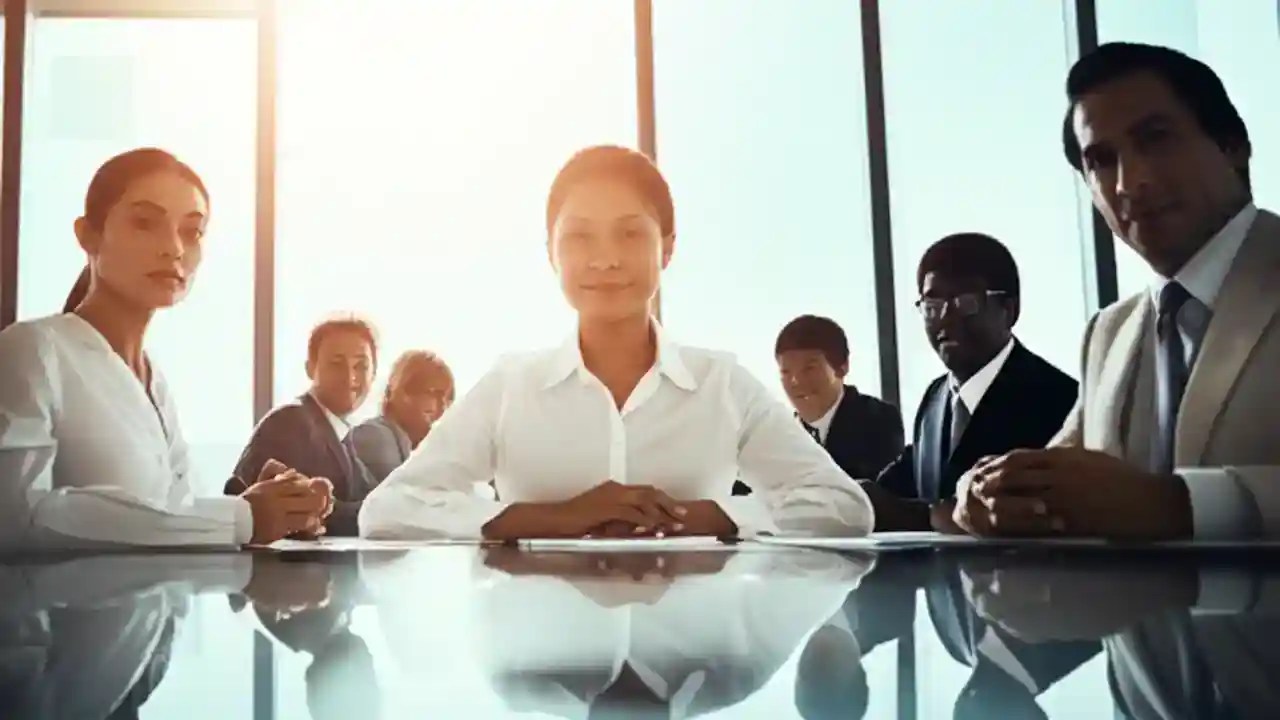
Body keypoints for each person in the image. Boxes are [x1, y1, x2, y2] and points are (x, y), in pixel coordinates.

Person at [359, 145, 874, 540]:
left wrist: (695, 517)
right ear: (551, 254)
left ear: (667, 248)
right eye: (580, 237)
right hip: (543, 660)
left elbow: (844, 506)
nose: (605, 259)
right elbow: (388, 510)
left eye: (629, 235)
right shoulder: (510, 385)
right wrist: (558, 518)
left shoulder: (722, 383)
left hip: (691, 650)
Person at [955, 42, 1280, 540]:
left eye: (1157, 139)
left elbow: (1138, 502)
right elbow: (1058, 474)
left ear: (1233, 144)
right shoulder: (1108, 332)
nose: (1131, 182)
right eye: (1102, 161)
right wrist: (983, 495)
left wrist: (1177, 506)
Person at [0, 148, 331, 549]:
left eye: (192, 231)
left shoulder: (153, 380)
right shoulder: (33, 350)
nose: (173, 248)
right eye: (145, 223)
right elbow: (17, 517)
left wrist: (273, 509)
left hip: (163, 606)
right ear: (88, 234)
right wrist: (240, 519)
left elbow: (169, 512)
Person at [865, 233, 1076, 531]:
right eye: (932, 304)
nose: (946, 318)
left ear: (1009, 309)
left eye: (966, 302)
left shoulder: (1060, 398)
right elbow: (896, 488)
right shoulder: (934, 399)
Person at [227, 315, 380, 536]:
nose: (350, 377)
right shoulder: (292, 423)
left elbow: (372, 498)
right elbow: (312, 512)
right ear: (310, 368)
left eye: (361, 366)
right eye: (336, 364)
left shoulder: (339, 433)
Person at [771, 314, 904, 485]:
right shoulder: (780, 435)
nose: (795, 381)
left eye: (809, 369)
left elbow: (877, 494)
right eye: (786, 372)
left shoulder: (878, 419)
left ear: (842, 368)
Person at [350, 349, 455, 483]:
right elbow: (404, 494)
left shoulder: (412, 446)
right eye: (433, 393)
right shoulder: (375, 435)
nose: (442, 405)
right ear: (403, 392)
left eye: (447, 399)